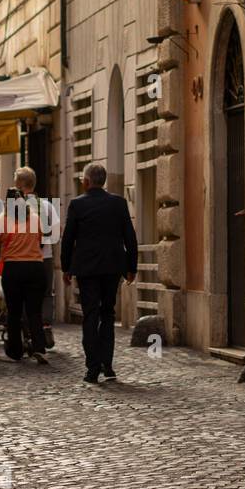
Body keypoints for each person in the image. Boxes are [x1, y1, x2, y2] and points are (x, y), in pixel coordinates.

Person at [60, 162, 139, 383]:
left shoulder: (77, 205)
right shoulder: (118, 203)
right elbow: (129, 237)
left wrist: (66, 267)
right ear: (102, 181)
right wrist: (131, 267)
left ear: (86, 182)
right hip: (112, 267)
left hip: (87, 269)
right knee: (108, 314)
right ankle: (108, 364)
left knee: (90, 315)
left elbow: (68, 239)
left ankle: (92, 367)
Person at [0, 185, 50, 365]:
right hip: (35, 267)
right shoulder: (36, 218)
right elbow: (42, 242)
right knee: (34, 312)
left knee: (14, 312)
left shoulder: (2, 220)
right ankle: (39, 347)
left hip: (13, 268)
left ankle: (15, 350)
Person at [15, 166, 60, 347]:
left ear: (19, 184)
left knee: (25, 296)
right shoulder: (47, 206)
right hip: (45, 257)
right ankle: (46, 327)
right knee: (46, 294)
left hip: (22, 258)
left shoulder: (14, 208)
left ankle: (28, 333)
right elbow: (57, 232)